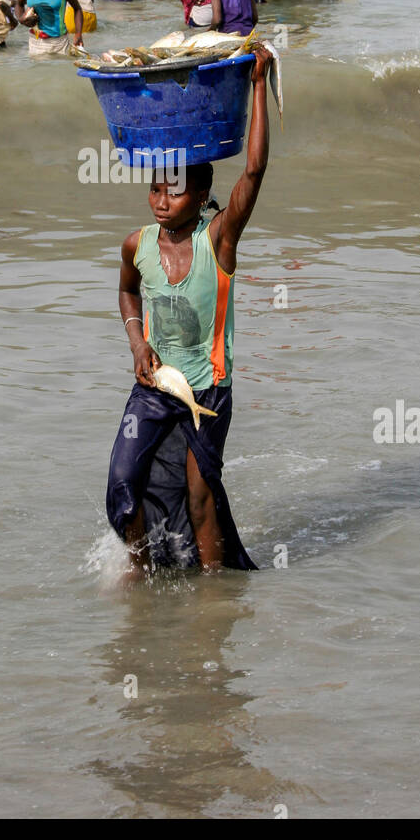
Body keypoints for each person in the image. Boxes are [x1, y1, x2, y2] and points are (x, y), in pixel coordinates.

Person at [107, 48, 274, 573]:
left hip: (209, 388)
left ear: (202, 194)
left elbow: (255, 168)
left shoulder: (218, 240)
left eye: (174, 192)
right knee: (123, 479)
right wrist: (138, 343)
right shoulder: (136, 244)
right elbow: (128, 292)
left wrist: (259, 87)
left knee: (202, 497)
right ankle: (140, 570)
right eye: (154, 189)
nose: (161, 200)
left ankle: (211, 593)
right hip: (156, 387)